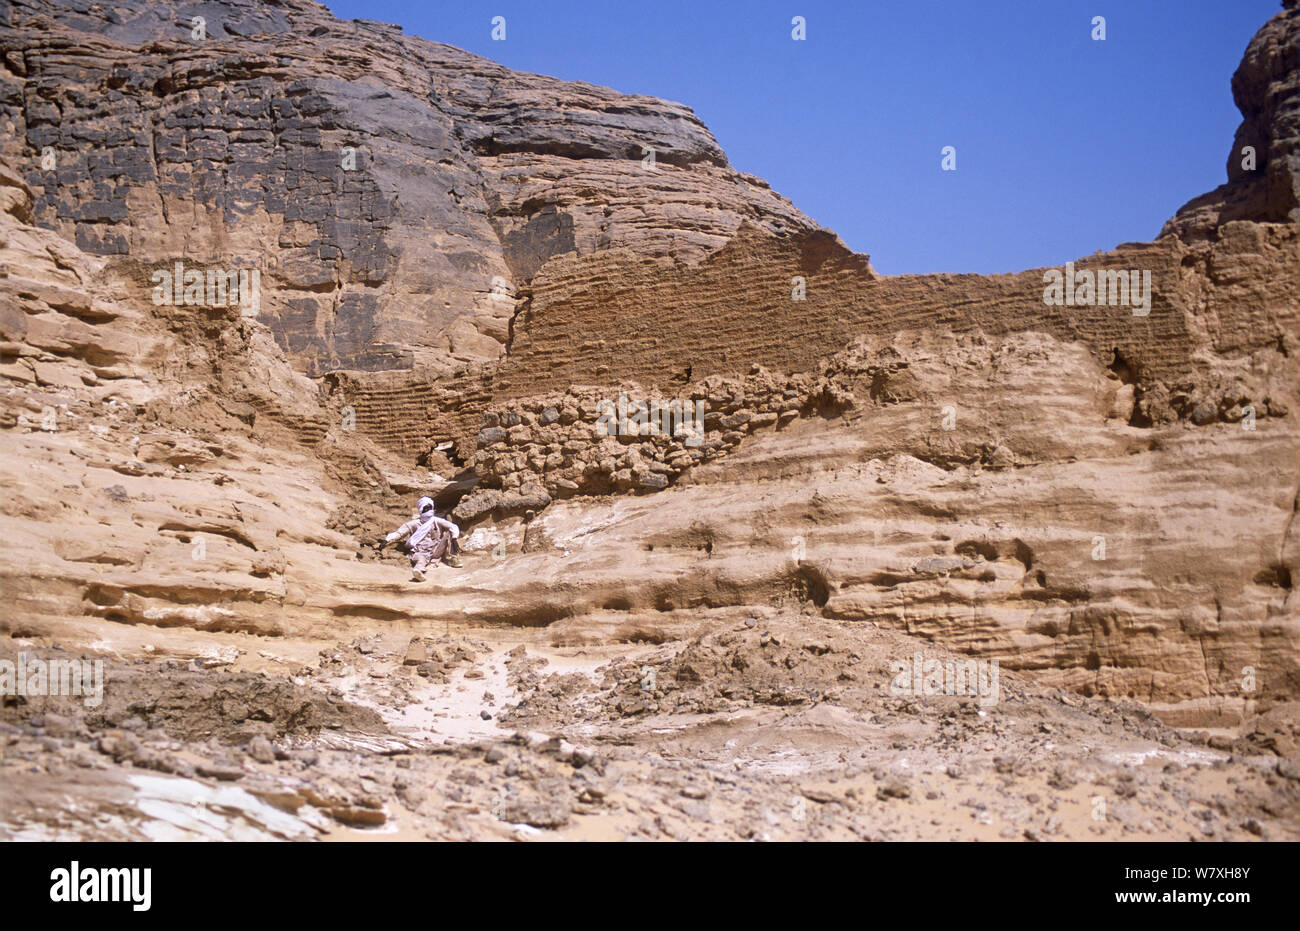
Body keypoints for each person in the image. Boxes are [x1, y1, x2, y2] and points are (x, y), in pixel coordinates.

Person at [379, 496, 461, 580]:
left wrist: (454, 538)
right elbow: (399, 533)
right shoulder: (414, 524)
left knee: (450, 533)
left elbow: (453, 527)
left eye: (430, 508)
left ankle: (453, 559)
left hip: (436, 550)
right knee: (420, 560)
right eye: (426, 509)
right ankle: (418, 572)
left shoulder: (436, 521)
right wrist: (387, 540)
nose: (428, 511)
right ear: (421, 510)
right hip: (420, 551)